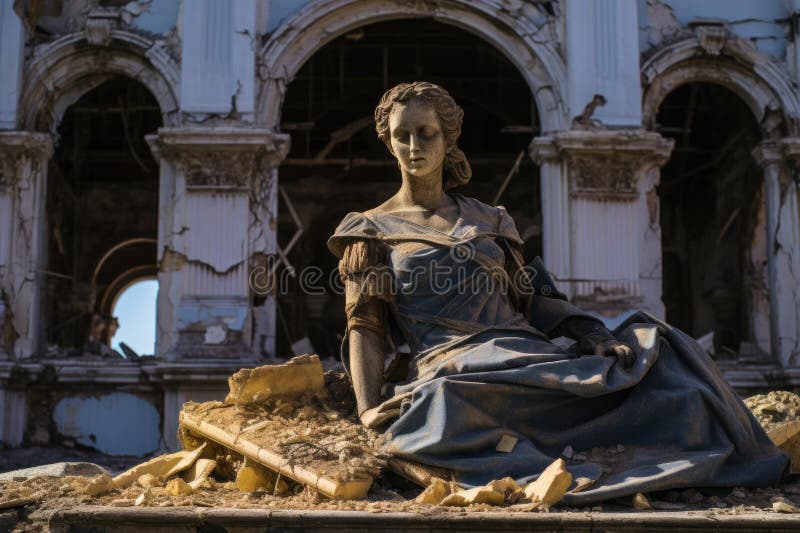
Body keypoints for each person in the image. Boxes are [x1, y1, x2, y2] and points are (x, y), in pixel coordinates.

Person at [327, 81, 787, 503]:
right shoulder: (368, 230)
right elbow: (364, 325)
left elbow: (533, 296)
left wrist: (590, 331)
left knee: (665, 358)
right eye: (402, 135)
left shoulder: (492, 219)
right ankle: (562, 464)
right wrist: (368, 410)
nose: (414, 147)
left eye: (426, 133)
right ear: (387, 141)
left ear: (449, 139)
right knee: (441, 407)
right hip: (452, 369)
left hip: (524, 353)